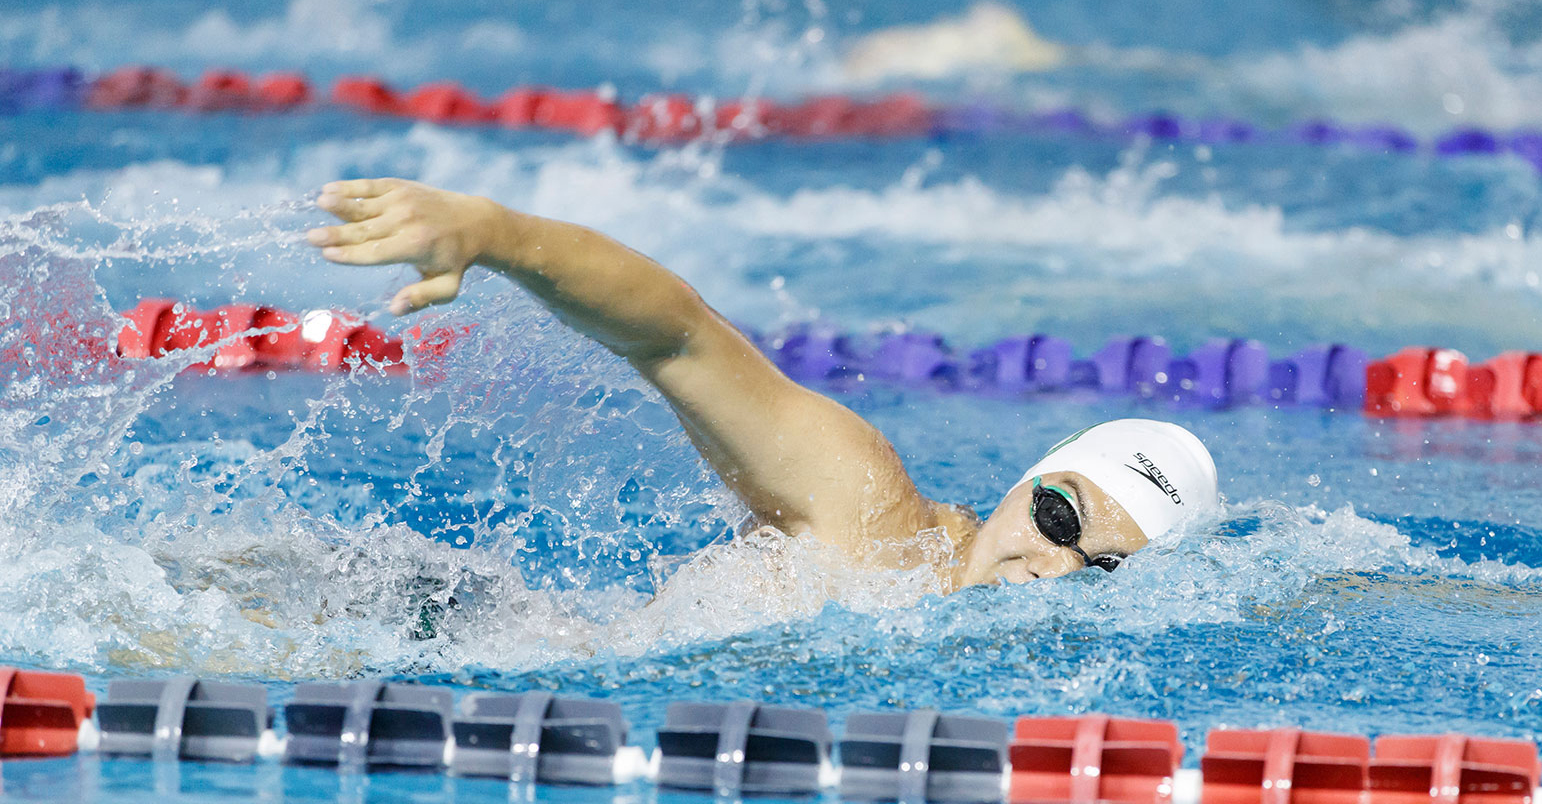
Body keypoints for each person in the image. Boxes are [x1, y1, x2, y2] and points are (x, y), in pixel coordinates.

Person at [305, 179, 1218, 592]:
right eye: (1060, 518)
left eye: (1103, 573)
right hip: (436, 629)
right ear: (1030, 476)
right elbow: (679, 336)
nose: (1054, 566)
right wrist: (494, 233)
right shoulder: (869, 511)